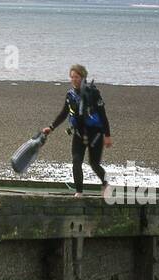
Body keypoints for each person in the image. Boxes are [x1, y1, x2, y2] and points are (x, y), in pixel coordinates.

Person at [41, 63, 111, 194]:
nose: (74, 79)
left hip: (95, 134)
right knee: (76, 162)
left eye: (77, 77)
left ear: (83, 77)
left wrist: (107, 135)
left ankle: (106, 183)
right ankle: (79, 192)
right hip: (78, 133)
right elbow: (64, 113)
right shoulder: (70, 95)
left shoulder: (94, 93)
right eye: (72, 77)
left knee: (94, 164)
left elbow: (102, 114)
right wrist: (51, 127)